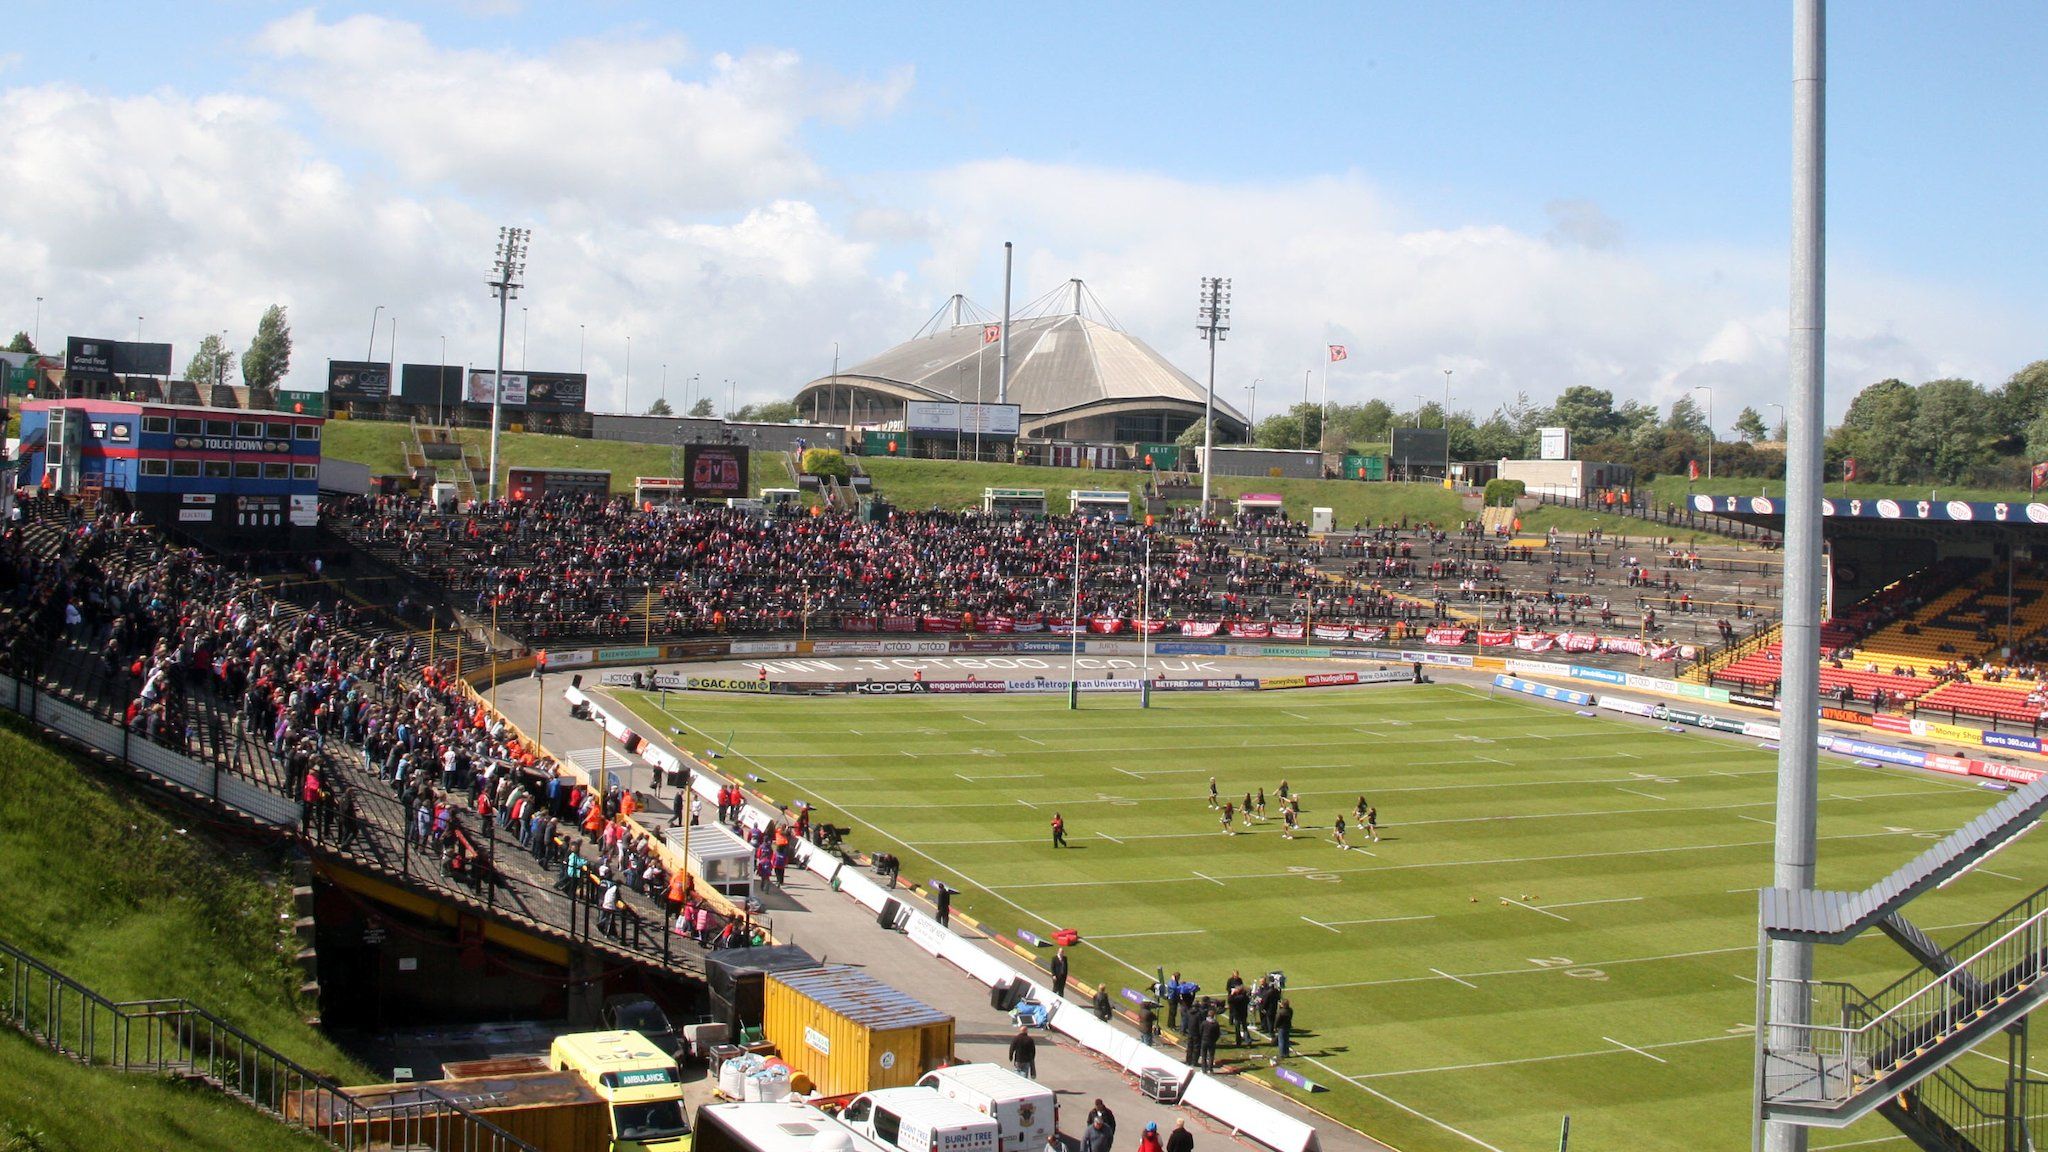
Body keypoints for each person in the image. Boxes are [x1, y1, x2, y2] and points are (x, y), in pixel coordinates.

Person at [1273, 998, 1294, 1062]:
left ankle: (1282, 1054)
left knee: (1281, 1040)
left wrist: (1275, 1027)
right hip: (1288, 1026)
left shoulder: (1280, 1011)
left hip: (1281, 1027)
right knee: (1286, 1040)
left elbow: (1277, 1020)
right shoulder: (1290, 1010)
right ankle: (1286, 1053)